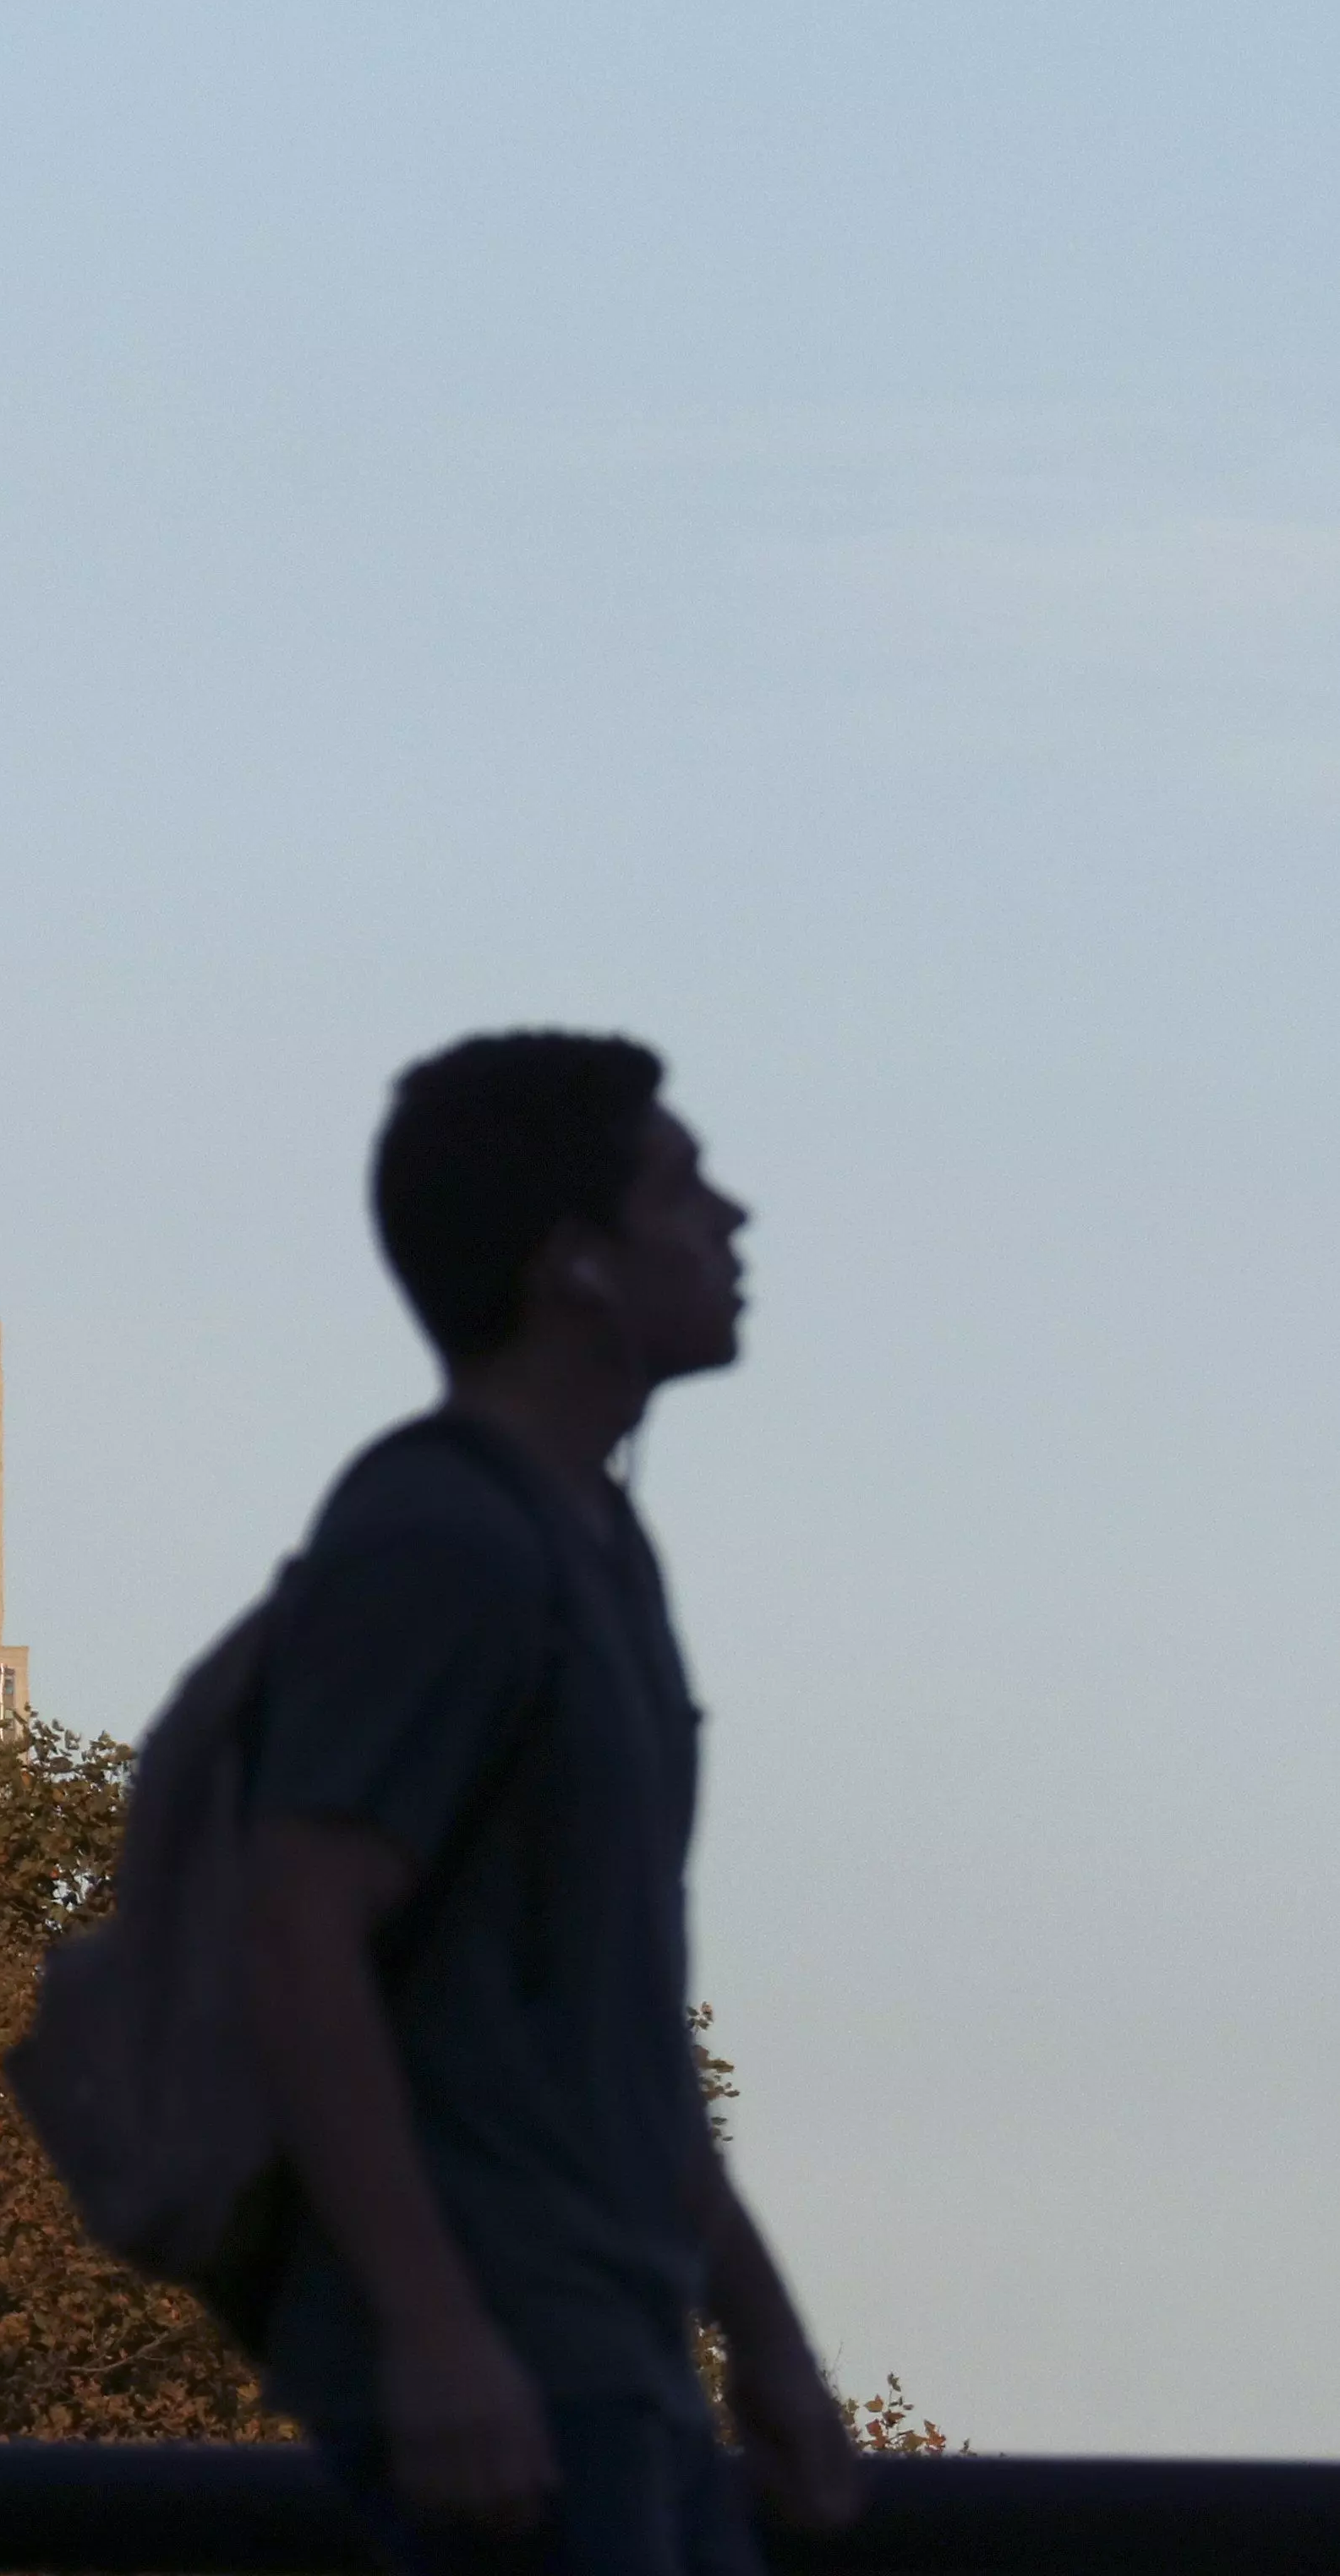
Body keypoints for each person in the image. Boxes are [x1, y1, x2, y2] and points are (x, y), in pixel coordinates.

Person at [241, 1033, 859, 2575]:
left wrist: (764, 2341)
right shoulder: (439, 1537)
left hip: (616, 2373)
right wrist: (436, 2333)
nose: (734, 1218)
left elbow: (618, 2024)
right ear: (574, 1263)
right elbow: (294, 1930)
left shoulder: (595, 1546)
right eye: (680, 1183)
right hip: (516, 2402)